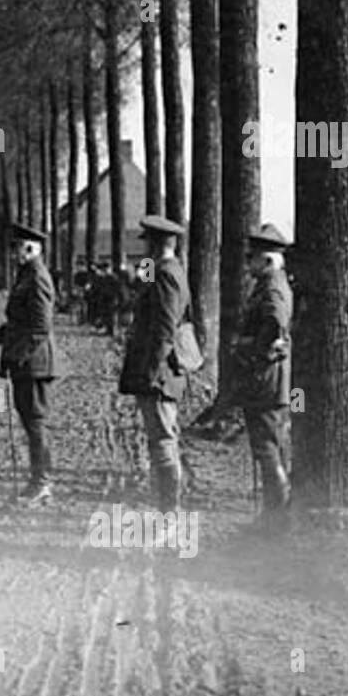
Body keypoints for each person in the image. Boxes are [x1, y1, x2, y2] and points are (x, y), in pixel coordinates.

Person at [0, 223, 57, 505]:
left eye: (18, 248)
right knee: (32, 424)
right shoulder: (27, 275)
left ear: (32, 249)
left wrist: (17, 355)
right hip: (27, 363)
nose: (14, 254)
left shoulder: (37, 277)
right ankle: (40, 481)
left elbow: (39, 327)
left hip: (34, 364)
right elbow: (19, 323)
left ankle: (41, 483)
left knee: (36, 425)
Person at [119, 215, 192, 509]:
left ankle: (169, 512)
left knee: (162, 441)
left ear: (157, 244)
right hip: (157, 369)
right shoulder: (164, 270)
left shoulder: (166, 274)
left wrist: (150, 372)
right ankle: (166, 507)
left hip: (160, 373)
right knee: (159, 440)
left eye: (148, 242)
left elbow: (164, 329)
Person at [232, 224, 294, 529]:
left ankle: (276, 515)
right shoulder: (270, 284)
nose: (248, 264)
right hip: (265, 378)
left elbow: (274, 324)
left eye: (252, 259)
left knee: (267, 447)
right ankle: (274, 512)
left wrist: (254, 351)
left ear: (267, 261)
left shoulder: (272, 288)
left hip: (266, 380)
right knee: (267, 445)